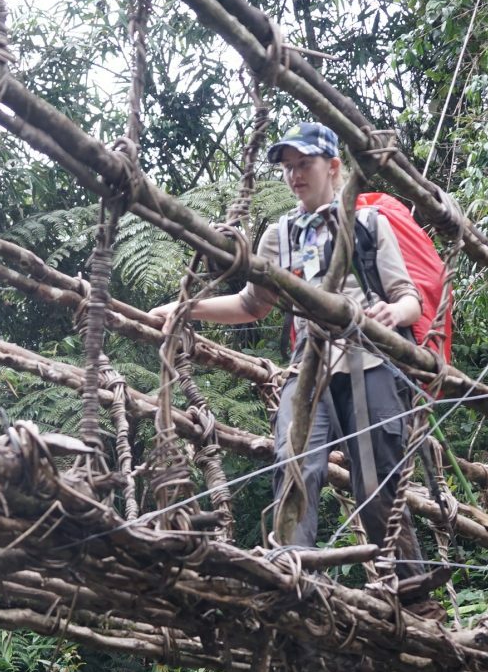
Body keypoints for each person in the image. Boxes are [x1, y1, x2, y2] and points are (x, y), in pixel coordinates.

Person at [150, 122, 423, 555]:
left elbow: (410, 299)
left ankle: (410, 592)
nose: (294, 175)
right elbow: (251, 305)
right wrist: (185, 308)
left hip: (370, 361)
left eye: (304, 164)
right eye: (287, 167)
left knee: (376, 479)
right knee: (294, 461)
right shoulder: (279, 235)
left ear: (333, 167)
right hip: (307, 364)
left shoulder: (369, 223)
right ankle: (294, 575)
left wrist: (394, 313)